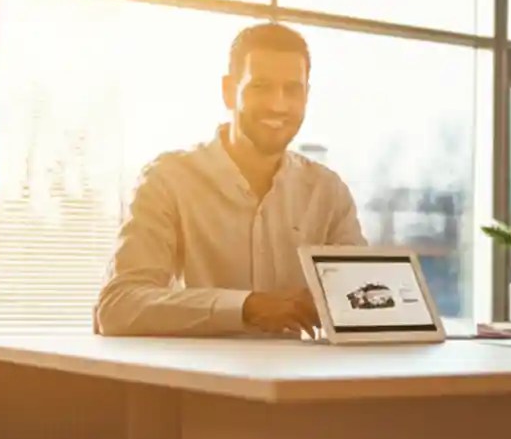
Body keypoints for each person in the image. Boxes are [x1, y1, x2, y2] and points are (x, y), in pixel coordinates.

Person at [95, 22, 365, 338]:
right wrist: (248, 307)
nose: (278, 104)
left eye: (292, 89)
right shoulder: (168, 180)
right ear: (228, 91)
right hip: (197, 382)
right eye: (260, 86)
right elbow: (118, 308)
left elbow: (365, 306)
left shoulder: (328, 192)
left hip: (298, 382)